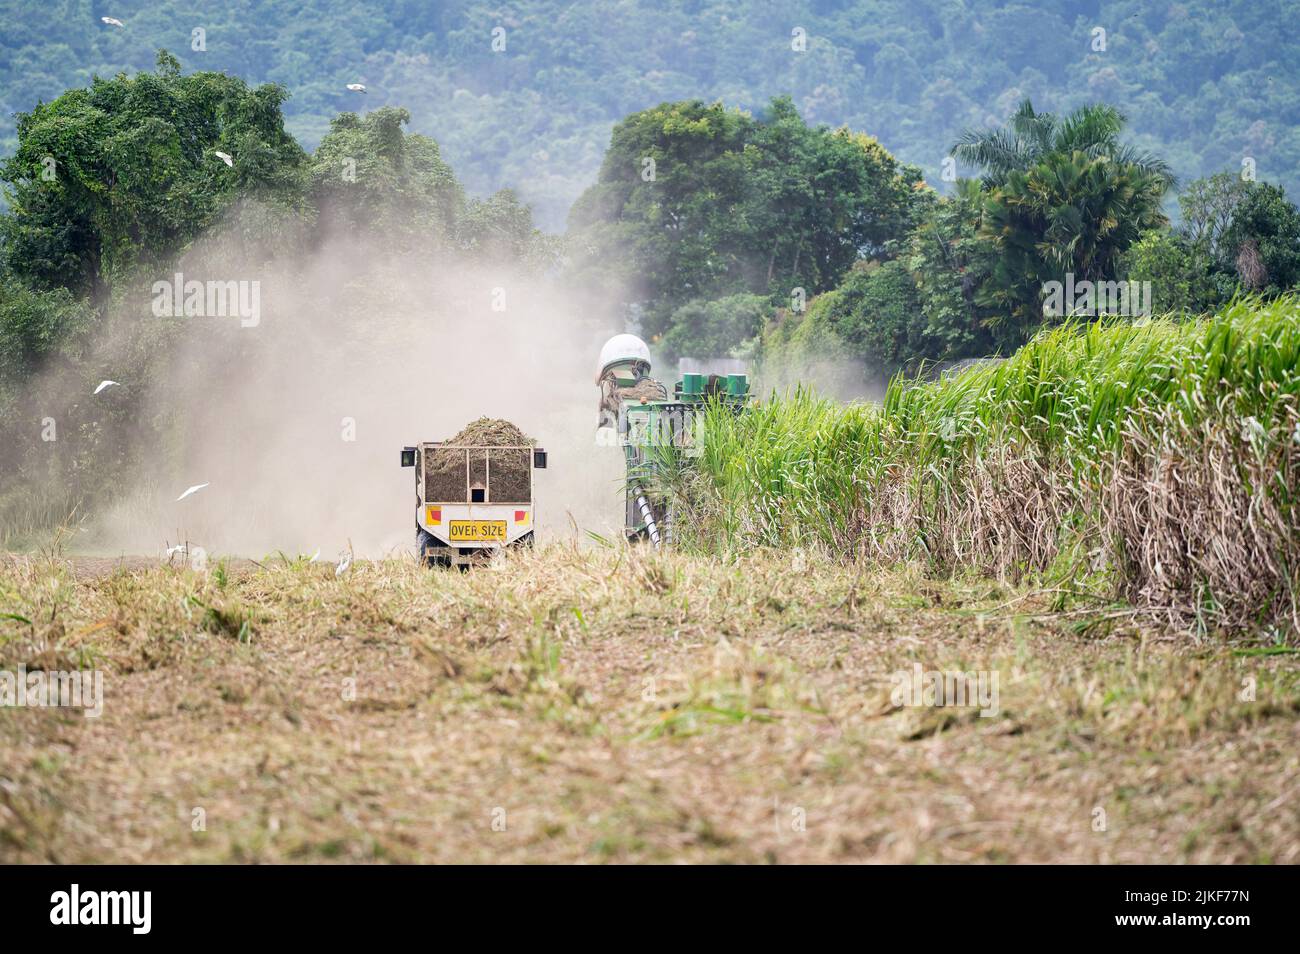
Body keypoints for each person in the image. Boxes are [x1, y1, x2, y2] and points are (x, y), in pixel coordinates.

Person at [595, 334, 667, 431]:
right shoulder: (639, 350)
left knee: (606, 404)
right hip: (640, 378)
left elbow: (597, 380)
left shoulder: (611, 350)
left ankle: (605, 432)